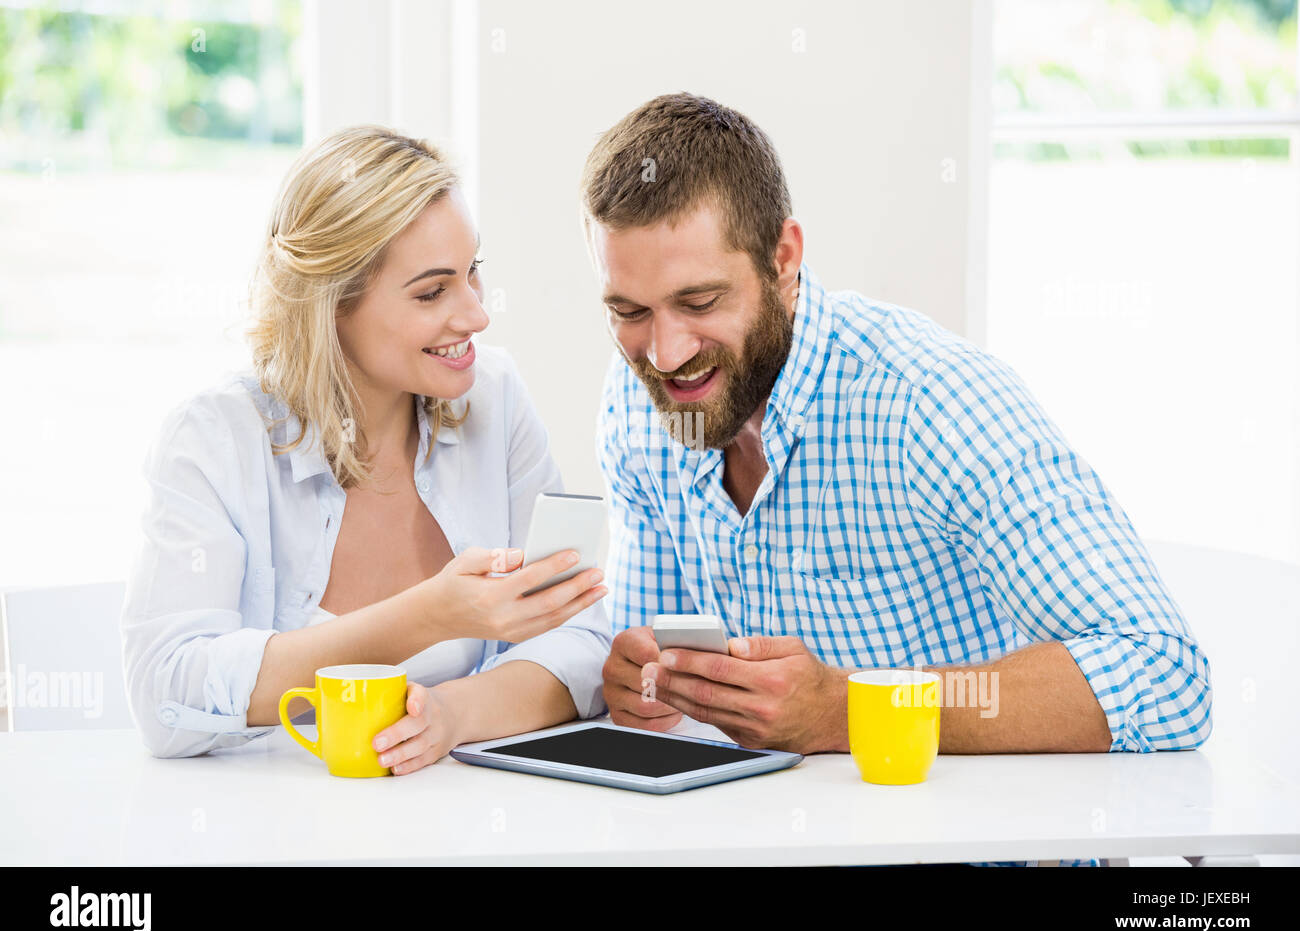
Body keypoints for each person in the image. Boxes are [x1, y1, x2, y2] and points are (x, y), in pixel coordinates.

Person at [585, 94, 1211, 865]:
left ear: (783, 259)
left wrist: (850, 711)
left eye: (700, 302)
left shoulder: (931, 403)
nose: (667, 352)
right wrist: (646, 691)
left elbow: (1164, 673)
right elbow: (665, 690)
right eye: (629, 311)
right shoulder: (642, 402)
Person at [121, 125, 611, 772]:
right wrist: (425, 617)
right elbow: (167, 696)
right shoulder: (215, 441)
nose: (476, 315)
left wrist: (454, 715)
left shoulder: (494, 400)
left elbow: (578, 635)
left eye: (473, 275)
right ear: (331, 303)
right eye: (433, 291)